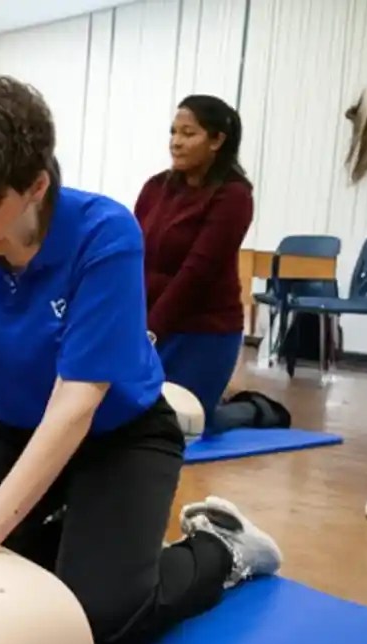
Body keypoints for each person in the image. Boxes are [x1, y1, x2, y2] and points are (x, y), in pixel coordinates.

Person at [0, 76, 281, 644]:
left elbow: (78, 399)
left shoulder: (105, 233)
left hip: (120, 432)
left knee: (101, 619)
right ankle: (75, 530)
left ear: (36, 186)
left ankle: (224, 548)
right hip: (9, 425)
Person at [136, 95, 254, 435]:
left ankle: (254, 409)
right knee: (132, 418)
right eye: (173, 132)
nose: (176, 142)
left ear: (217, 140)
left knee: (184, 423)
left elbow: (197, 273)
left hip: (204, 331)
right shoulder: (155, 187)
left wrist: (150, 331)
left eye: (188, 133)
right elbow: (133, 255)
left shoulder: (234, 196)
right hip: (152, 324)